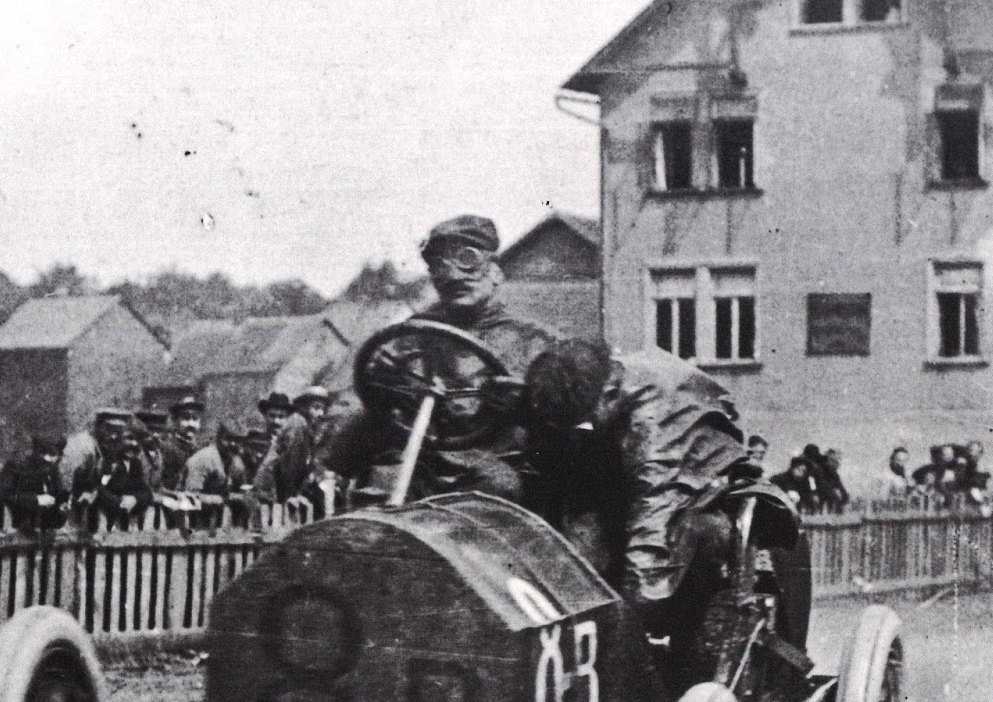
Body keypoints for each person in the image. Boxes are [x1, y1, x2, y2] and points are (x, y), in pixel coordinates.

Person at [520, 339, 748, 662]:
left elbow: (652, 533)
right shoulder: (591, 376)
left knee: (690, 538)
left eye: (584, 420)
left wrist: (620, 633)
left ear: (606, 397)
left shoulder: (653, 429)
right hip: (628, 486)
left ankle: (683, 656)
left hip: (695, 504)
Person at [324, 213, 558, 501]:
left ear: (496, 271)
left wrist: (524, 406)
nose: (454, 275)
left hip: (496, 465)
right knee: (378, 484)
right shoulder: (409, 335)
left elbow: (560, 418)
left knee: (499, 489)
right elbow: (364, 397)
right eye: (438, 265)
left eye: (467, 259)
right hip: (421, 460)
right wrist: (384, 389)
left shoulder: (534, 342)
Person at [253, 386, 333, 508]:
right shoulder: (298, 425)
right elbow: (290, 464)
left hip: (276, 491)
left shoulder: (307, 428)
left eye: (322, 409)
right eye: (316, 408)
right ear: (303, 407)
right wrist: (292, 495)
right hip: (270, 492)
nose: (320, 414)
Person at [180, 422, 250, 523]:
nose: (233, 444)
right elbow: (191, 496)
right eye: (228, 439)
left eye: (237, 440)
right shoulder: (203, 459)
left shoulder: (236, 461)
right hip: (189, 517)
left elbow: (242, 490)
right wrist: (222, 499)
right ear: (218, 438)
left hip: (217, 516)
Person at [1, 434, 70, 533]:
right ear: (39, 453)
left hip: (48, 529)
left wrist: (65, 502)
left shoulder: (52, 468)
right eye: (50, 455)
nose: (53, 462)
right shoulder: (17, 467)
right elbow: (5, 496)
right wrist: (36, 499)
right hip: (22, 528)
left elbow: (58, 494)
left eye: (57, 456)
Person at [163, 394, 205, 488]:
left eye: (195, 419)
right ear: (176, 421)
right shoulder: (167, 447)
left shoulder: (202, 449)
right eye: (186, 418)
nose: (191, 424)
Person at [818, 447, 849, 512]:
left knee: (843, 495)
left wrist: (844, 494)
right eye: (834, 460)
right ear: (828, 459)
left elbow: (839, 485)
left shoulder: (834, 473)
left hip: (830, 494)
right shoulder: (820, 470)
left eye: (838, 461)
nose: (837, 463)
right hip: (820, 494)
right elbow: (821, 483)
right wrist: (834, 491)